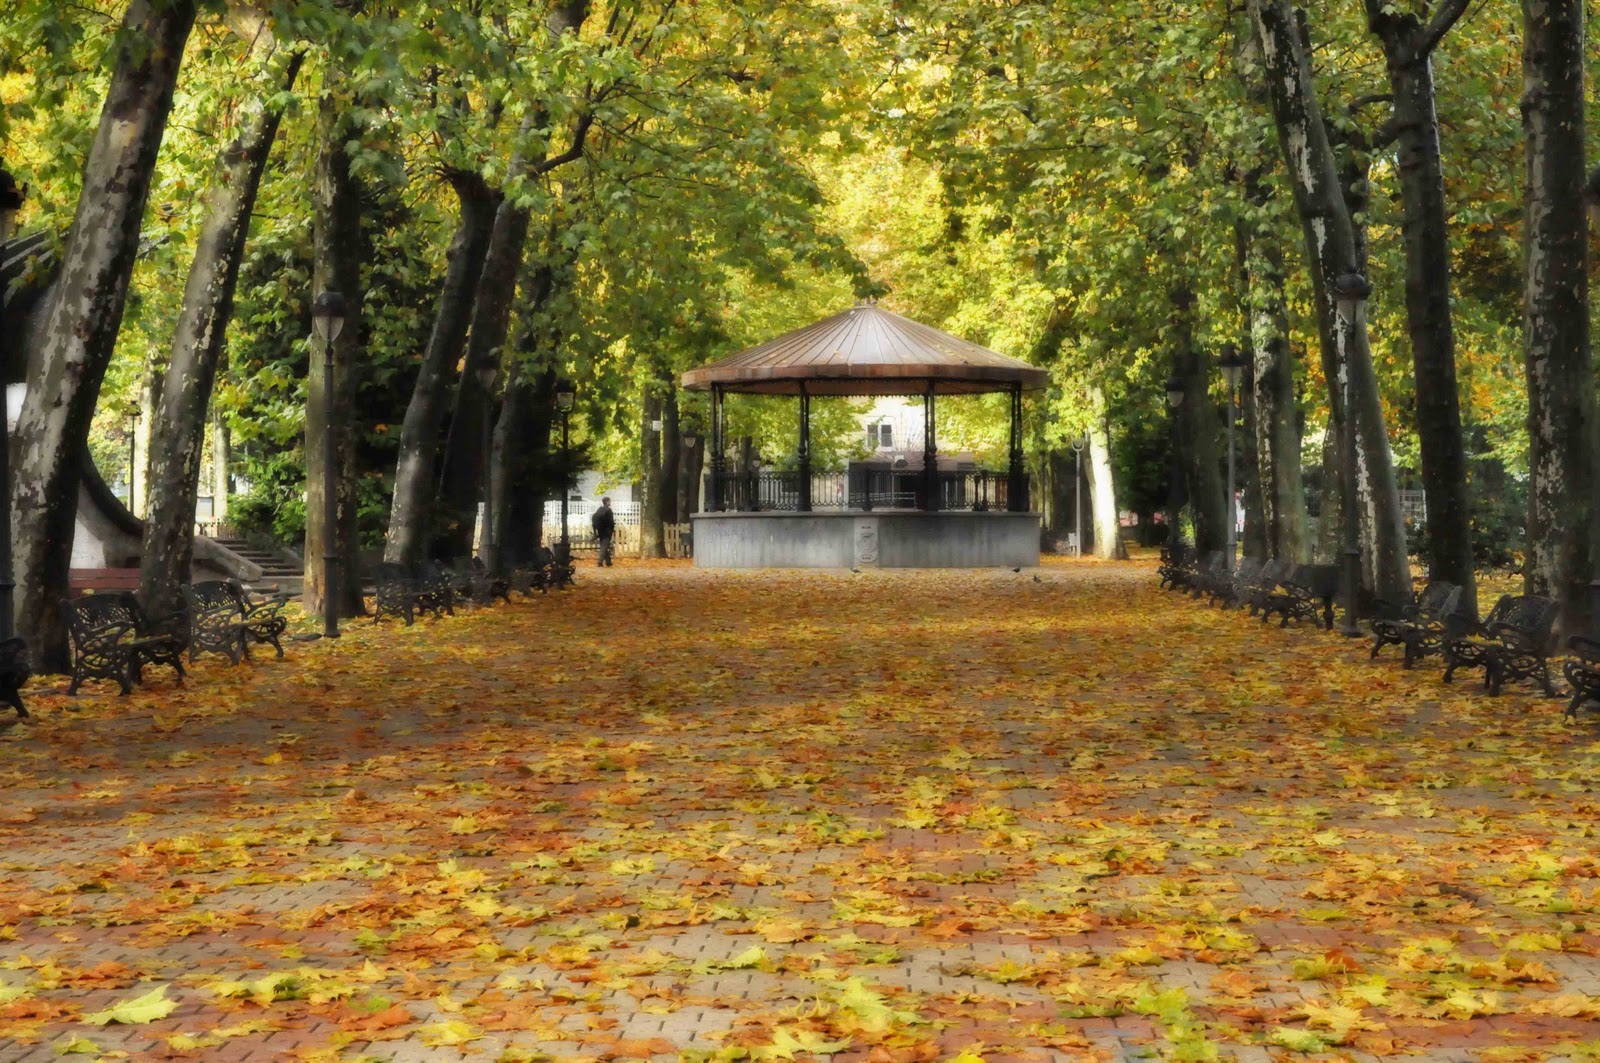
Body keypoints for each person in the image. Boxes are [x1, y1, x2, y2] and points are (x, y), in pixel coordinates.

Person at [591, 496, 615, 567]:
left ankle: (608, 562)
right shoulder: (609, 510)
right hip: (607, 531)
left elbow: (595, 518)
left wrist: (596, 531)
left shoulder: (600, 509)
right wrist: (612, 529)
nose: (610, 502)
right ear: (607, 502)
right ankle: (600, 562)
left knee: (604, 546)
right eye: (610, 501)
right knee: (604, 547)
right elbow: (611, 522)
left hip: (600, 530)